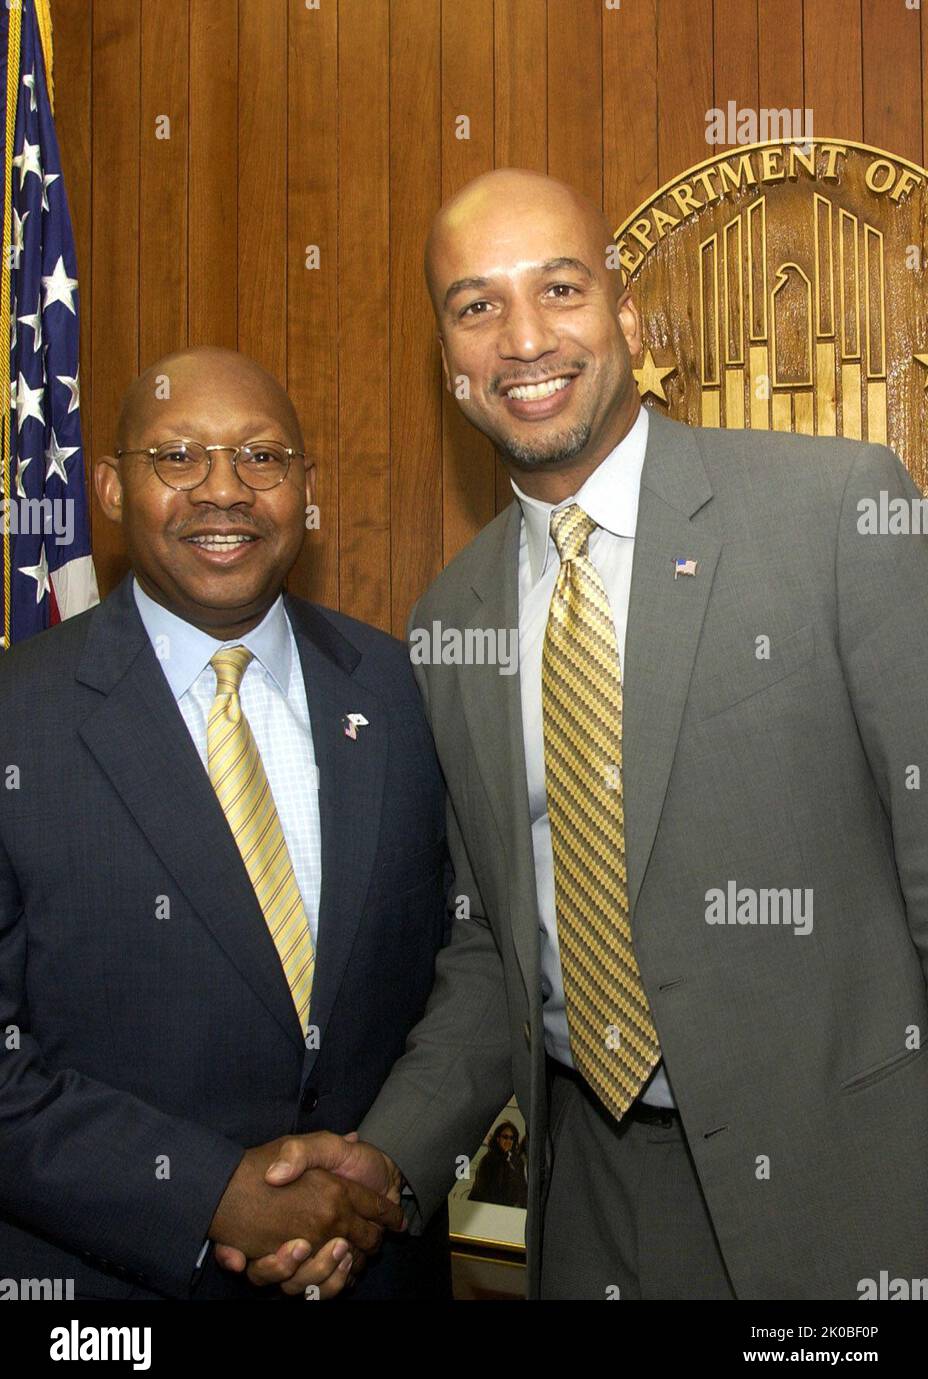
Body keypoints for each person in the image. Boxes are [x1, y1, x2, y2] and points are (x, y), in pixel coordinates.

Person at [218, 168, 928, 1301]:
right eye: (476, 305)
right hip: (595, 1205)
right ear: (447, 361)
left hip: (853, 1189)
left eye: (559, 286)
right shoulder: (450, 623)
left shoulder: (837, 511)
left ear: (627, 317)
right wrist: (383, 1159)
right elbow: (492, 947)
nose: (524, 338)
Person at [0, 346, 452, 1300]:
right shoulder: (17, 718)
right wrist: (208, 1195)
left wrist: (391, 1165)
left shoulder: (405, 693)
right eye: (177, 458)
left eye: (262, 457)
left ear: (304, 488)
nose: (224, 491)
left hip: (375, 1271)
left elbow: (470, 961)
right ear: (111, 488)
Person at [469, 1123, 528, 1208]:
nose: (508, 1141)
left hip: (508, 1212)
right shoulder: (488, 1160)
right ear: (498, 1139)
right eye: (505, 1137)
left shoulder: (516, 1162)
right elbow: (483, 1191)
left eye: (512, 1138)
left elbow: (521, 1189)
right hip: (485, 1210)